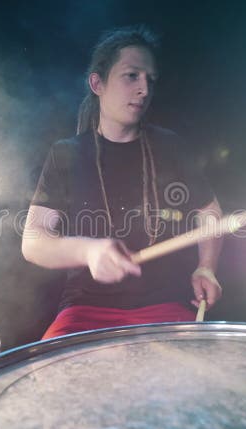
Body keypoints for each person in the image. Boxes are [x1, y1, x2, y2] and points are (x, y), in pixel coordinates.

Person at [22, 25, 223, 339]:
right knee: (44, 379)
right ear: (97, 83)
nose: (144, 89)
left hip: (164, 306)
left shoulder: (171, 146)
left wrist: (206, 266)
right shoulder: (66, 154)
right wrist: (88, 252)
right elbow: (33, 241)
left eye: (150, 80)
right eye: (132, 76)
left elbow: (209, 212)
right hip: (85, 309)